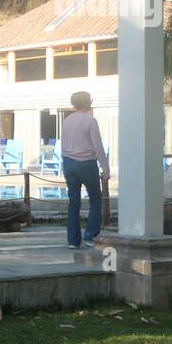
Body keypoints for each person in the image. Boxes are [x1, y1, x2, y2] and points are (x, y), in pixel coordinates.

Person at [60, 91, 110, 249]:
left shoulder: (67, 120)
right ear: (88, 102)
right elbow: (98, 146)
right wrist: (105, 167)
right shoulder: (90, 121)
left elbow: (63, 143)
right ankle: (90, 236)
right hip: (87, 163)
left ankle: (73, 241)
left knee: (73, 202)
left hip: (69, 163)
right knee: (95, 199)